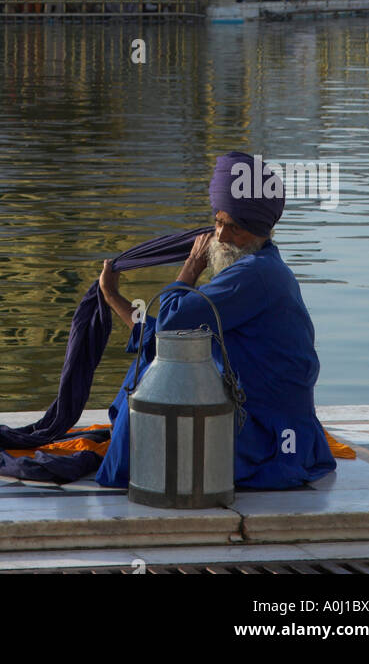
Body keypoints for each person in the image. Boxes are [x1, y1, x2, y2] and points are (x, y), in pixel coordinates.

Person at [96, 150, 337, 491]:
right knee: (162, 363)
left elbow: (170, 325)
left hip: (266, 433)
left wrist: (190, 270)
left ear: (259, 232)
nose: (221, 237)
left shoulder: (254, 275)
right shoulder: (262, 266)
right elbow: (167, 336)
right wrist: (113, 297)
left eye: (234, 228)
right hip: (279, 424)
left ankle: (133, 456)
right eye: (218, 222)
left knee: (155, 377)